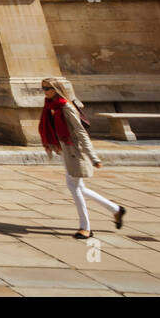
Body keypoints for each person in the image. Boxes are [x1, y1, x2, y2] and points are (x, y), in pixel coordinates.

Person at [39, 76, 127, 239]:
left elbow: (81, 132)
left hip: (75, 151)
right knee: (80, 188)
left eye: (47, 88)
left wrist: (93, 157)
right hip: (66, 150)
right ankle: (115, 210)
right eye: (43, 88)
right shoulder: (52, 106)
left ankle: (85, 227)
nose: (44, 92)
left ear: (56, 89)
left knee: (74, 188)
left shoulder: (65, 107)